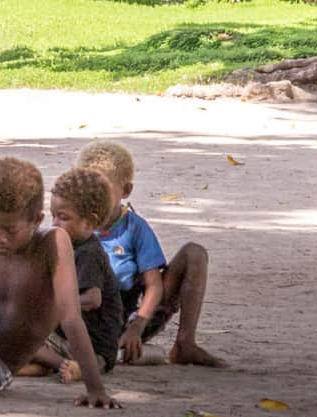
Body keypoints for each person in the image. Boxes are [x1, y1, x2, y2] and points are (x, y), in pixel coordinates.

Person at [0, 157, 119, 408]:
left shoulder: (52, 244)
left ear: (37, 220)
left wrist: (96, 389)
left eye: (10, 230)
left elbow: (71, 318)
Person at [77, 140, 225, 367]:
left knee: (194, 253)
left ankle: (185, 343)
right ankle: (115, 353)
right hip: (89, 317)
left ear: (125, 190)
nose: (95, 197)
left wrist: (137, 326)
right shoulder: (73, 224)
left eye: (104, 189)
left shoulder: (134, 228)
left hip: (133, 315)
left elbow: (154, 285)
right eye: (88, 189)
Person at [19, 168, 123, 381]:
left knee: (21, 336)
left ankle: (68, 366)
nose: (55, 223)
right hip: (70, 341)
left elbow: (93, 299)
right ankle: (44, 366)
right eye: (53, 215)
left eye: (63, 217)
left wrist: (50, 306)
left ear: (89, 222)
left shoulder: (89, 252)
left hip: (92, 348)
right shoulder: (65, 246)